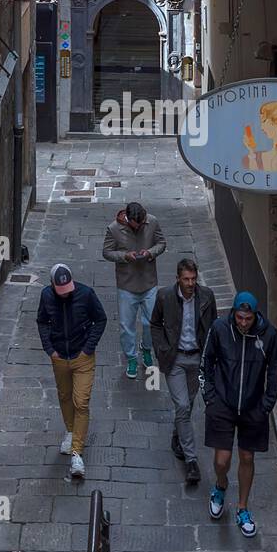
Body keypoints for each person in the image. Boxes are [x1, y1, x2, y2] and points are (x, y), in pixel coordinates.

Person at [200, 291, 277, 537]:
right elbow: (207, 362)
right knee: (221, 461)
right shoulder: (219, 329)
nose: (243, 323)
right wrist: (210, 399)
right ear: (233, 314)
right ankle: (221, 484)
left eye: (248, 319)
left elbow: (276, 373)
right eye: (240, 318)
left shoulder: (268, 335)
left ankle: (242, 508)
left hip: (253, 408)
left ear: (255, 315)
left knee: (247, 458)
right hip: (222, 405)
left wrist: (265, 406)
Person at [150, 258, 217, 486]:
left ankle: (177, 434)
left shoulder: (206, 296)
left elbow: (214, 326)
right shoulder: (165, 296)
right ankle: (191, 461)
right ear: (178, 278)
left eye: (193, 279)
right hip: (175, 359)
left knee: (186, 405)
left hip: (197, 359)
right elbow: (155, 324)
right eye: (186, 279)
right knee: (182, 406)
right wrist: (161, 350)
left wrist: (212, 356)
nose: (190, 283)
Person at [36, 263, 107, 479]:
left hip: (82, 357)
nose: (66, 295)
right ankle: (70, 430)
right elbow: (42, 321)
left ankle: (77, 452)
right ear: (52, 285)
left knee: (81, 401)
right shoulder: (46, 296)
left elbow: (100, 319)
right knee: (65, 396)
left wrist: (88, 348)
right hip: (60, 357)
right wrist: (50, 349)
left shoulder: (86, 294)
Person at [102, 201, 166, 379]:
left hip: (148, 281)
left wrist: (150, 252)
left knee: (150, 323)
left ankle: (146, 348)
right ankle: (131, 357)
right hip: (126, 284)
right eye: (134, 225)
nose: (138, 228)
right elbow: (106, 252)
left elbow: (161, 243)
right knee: (126, 326)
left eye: (141, 224)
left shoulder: (152, 222)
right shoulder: (113, 229)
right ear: (128, 220)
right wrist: (124, 256)